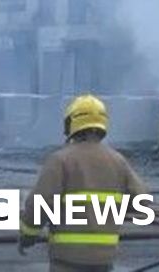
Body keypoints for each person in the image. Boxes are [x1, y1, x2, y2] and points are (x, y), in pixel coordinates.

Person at [19, 94, 148, 272]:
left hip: (67, 259)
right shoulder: (118, 161)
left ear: (71, 124)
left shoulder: (61, 160)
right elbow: (142, 200)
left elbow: (40, 202)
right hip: (104, 261)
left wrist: (28, 235)